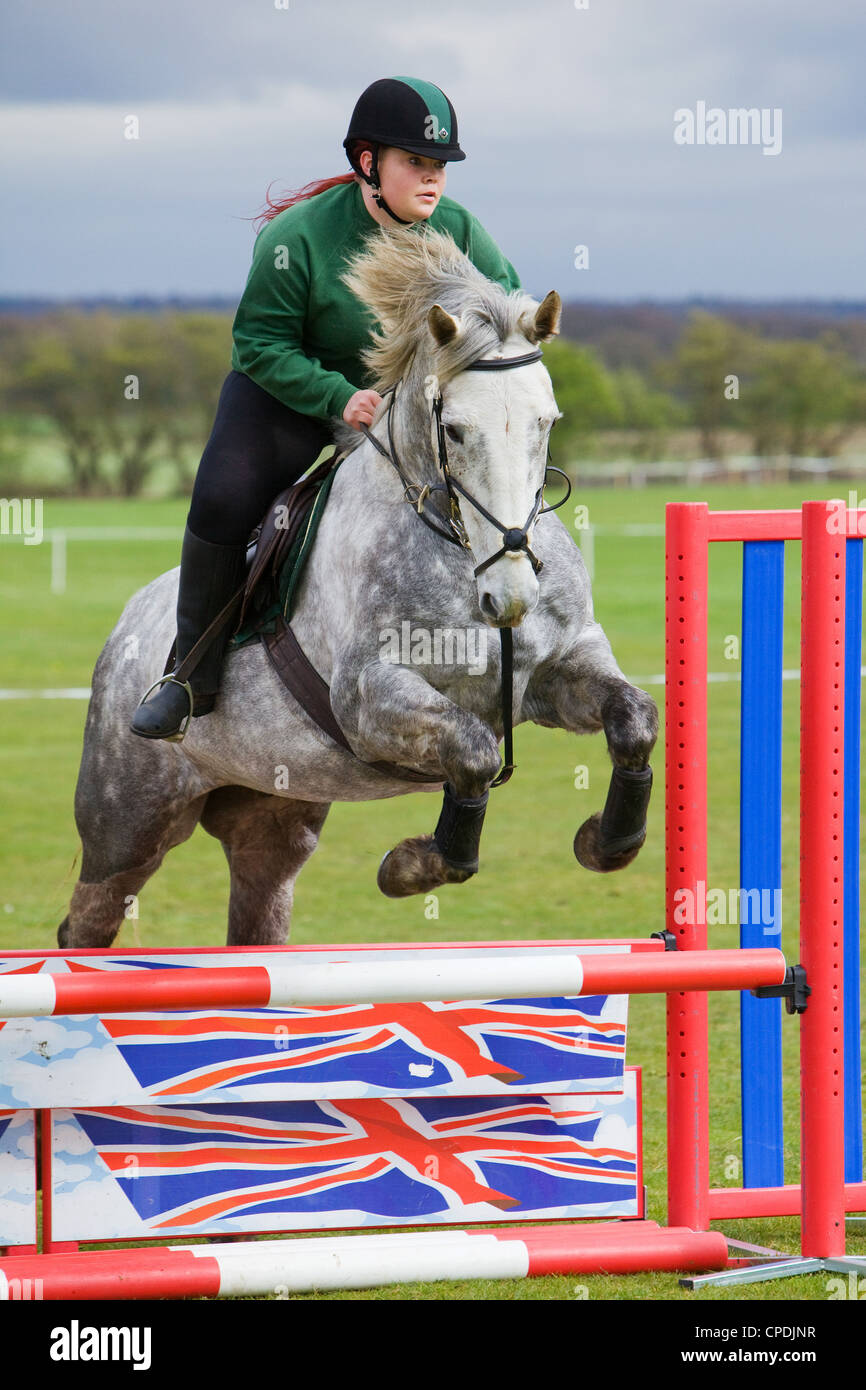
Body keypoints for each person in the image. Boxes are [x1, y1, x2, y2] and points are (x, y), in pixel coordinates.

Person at [131, 75, 522, 741]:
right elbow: (257, 343)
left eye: (440, 167)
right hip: (289, 398)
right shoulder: (298, 236)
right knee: (224, 497)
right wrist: (339, 397)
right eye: (416, 163)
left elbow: (502, 311)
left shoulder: (460, 234)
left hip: (401, 410)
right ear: (369, 163)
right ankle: (189, 673)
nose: (433, 180)